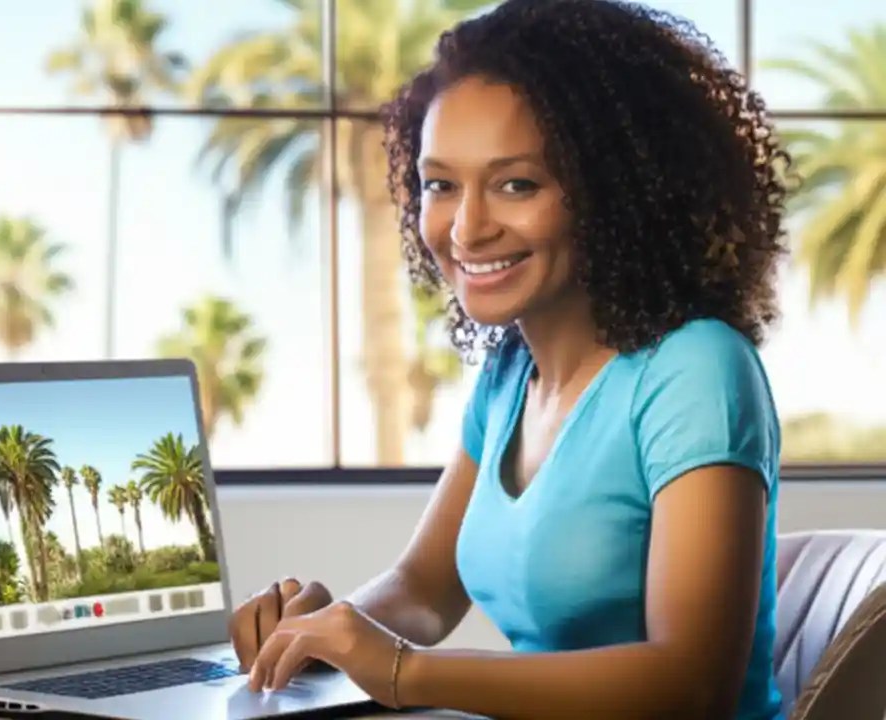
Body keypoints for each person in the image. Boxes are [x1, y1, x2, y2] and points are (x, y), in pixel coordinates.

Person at [230, 1, 793, 718]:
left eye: (516, 183)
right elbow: (422, 591)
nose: (467, 228)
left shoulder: (696, 371)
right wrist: (326, 632)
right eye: (441, 185)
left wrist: (406, 673)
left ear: (614, 192)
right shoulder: (510, 375)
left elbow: (690, 683)